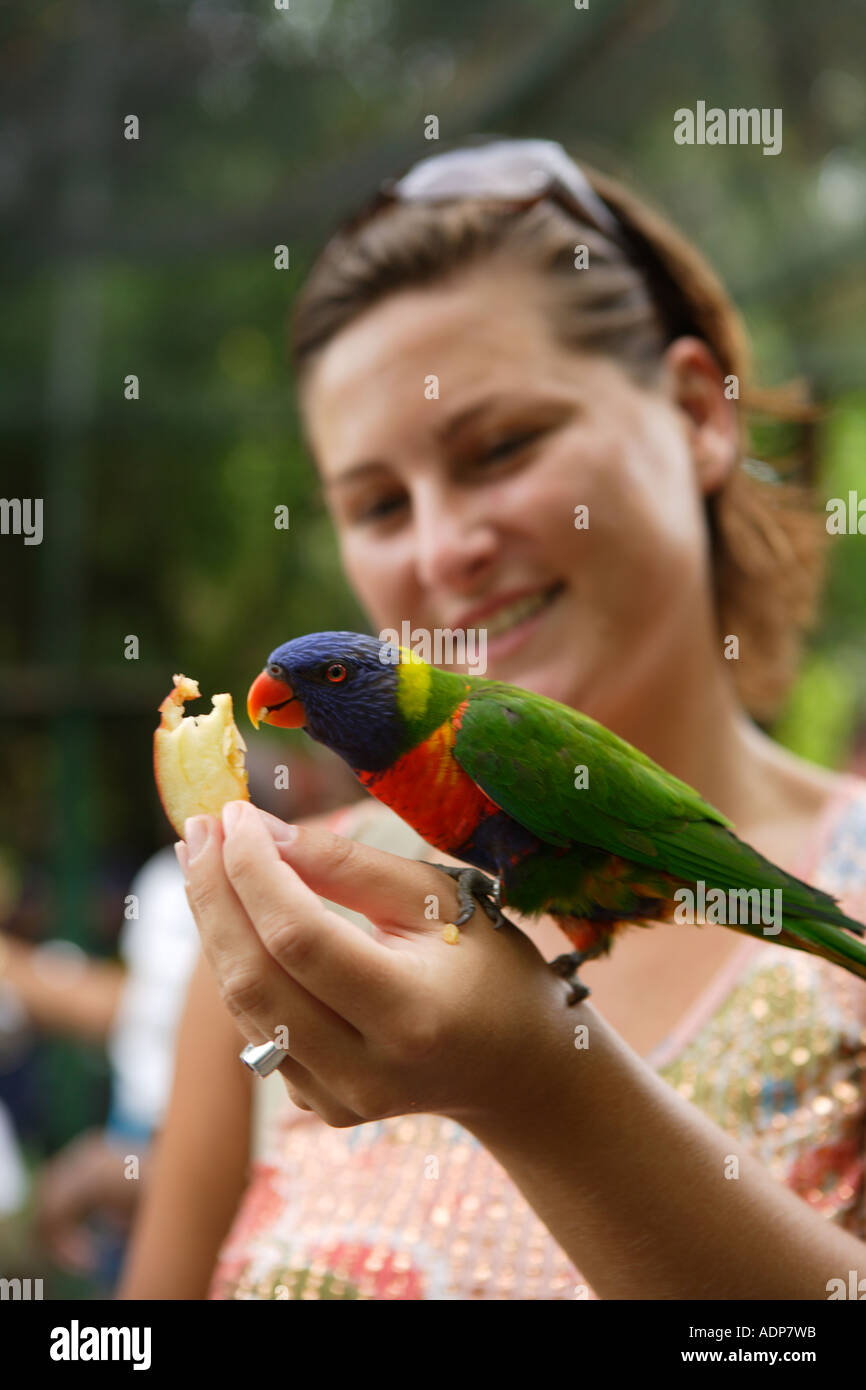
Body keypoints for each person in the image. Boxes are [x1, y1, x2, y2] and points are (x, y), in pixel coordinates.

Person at [119, 137, 866, 1301]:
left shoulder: (484, 740)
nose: (441, 550)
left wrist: (544, 1095)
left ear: (694, 414)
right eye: (375, 502)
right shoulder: (284, 938)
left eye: (502, 447)